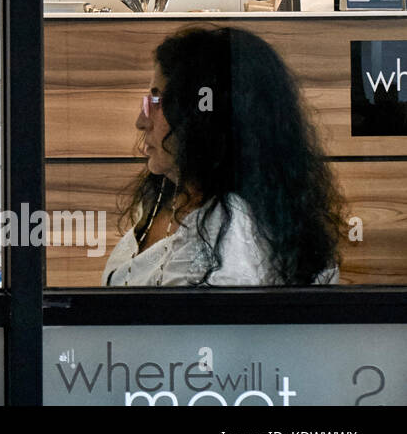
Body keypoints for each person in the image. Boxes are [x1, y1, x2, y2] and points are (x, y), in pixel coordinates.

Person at [102, 25, 344, 287]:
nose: (141, 121)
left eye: (160, 101)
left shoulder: (230, 228)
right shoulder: (168, 199)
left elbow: (186, 327)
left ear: (204, 118)